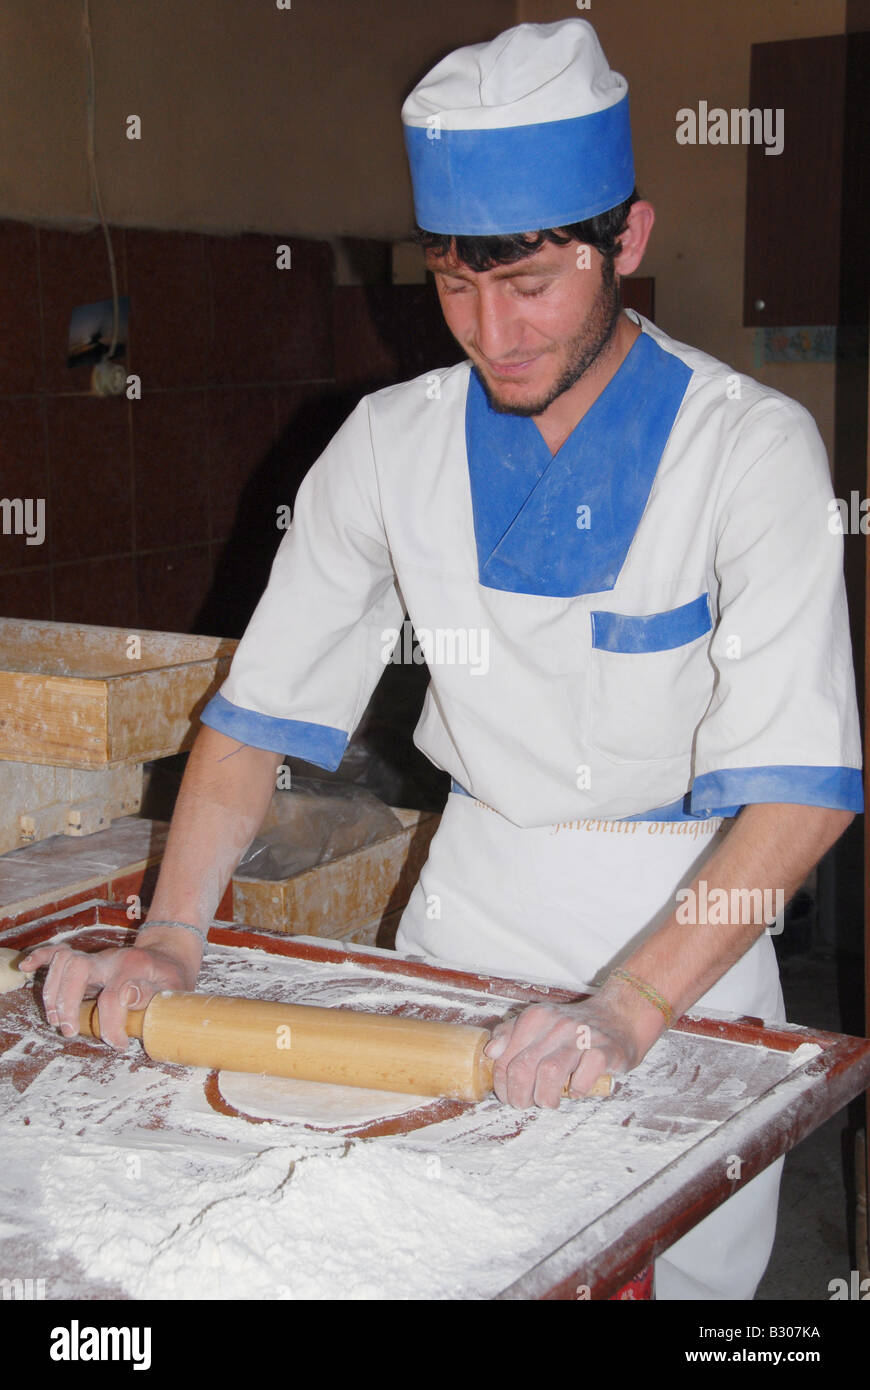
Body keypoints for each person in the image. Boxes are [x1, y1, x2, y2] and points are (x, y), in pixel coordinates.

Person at [23, 19, 861, 1300]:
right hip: (466, 912)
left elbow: (801, 795)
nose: (493, 330)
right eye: (457, 286)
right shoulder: (386, 446)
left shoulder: (750, 452)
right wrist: (175, 938)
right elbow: (255, 719)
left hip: (687, 935)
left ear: (626, 238)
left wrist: (627, 1008)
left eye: (531, 284)